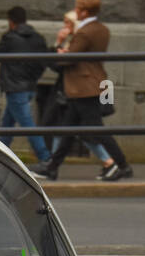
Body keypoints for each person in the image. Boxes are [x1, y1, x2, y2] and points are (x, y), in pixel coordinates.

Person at [31, 0, 132, 182]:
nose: (76, 11)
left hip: (83, 87)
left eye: (78, 8)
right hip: (87, 84)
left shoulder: (84, 32)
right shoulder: (102, 29)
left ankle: (122, 165)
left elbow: (69, 60)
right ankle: (52, 168)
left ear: (85, 12)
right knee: (68, 130)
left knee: (96, 129)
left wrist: (60, 51)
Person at [39, 9, 112, 170]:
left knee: (83, 130)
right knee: (63, 128)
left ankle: (111, 162)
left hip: (75, 91)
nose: (64, 26)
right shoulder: (74, 42)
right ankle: (52, 165)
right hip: (68, 91)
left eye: (67, 23)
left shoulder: (78, 42)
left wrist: (59, 47)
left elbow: (59, 66)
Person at [0, 6, 51, 162]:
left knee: (27, 124)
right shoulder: (38, 38)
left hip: (14, 86)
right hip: (30, 86)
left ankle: (45, 158)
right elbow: (43, 61)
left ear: (11, 21)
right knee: (7, 123)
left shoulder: (10, 38)